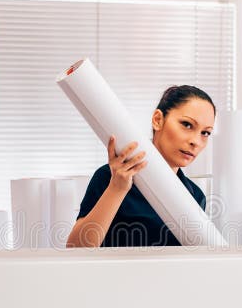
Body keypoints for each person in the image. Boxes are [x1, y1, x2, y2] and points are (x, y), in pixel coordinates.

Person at [66, 85, 215, 247]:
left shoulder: (195, 196)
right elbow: (76, 248)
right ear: (158, 120)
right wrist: (117, 189)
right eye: (187, 124)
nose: (196, 141)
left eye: (205, 133)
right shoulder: (110, 177)